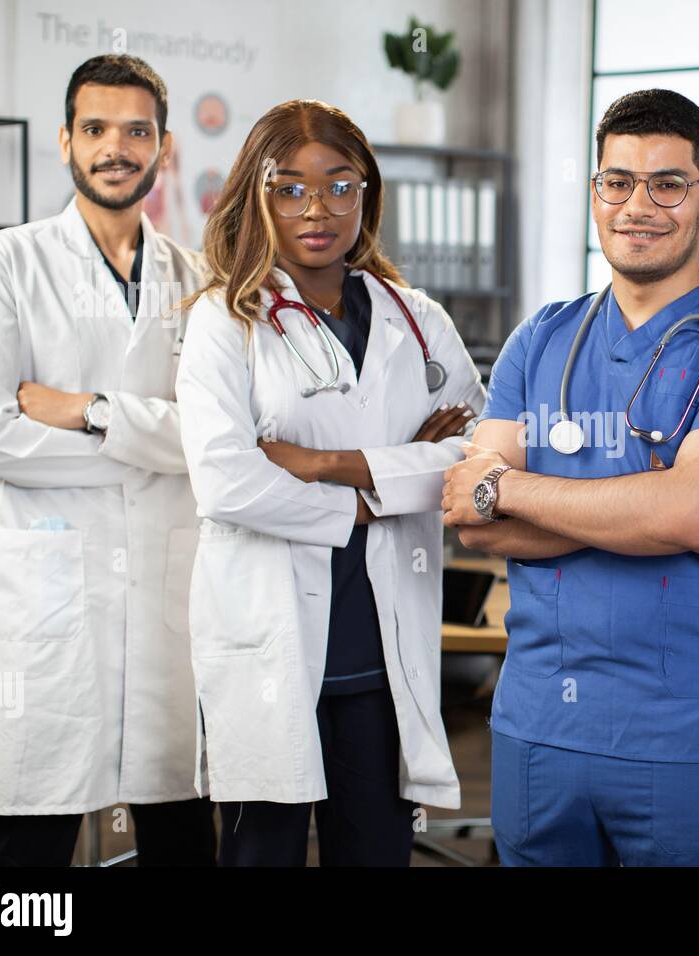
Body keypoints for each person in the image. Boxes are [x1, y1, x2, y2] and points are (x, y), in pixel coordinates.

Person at [441, 89, 699, 866]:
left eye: (668, 183)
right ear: (596, 193)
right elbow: (469, 518)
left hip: (687, 737)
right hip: (539, 730)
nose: (639, 205)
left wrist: (507, 486)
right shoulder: (540, 338)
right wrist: (656, 508)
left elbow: (678, 515)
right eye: (617, 182)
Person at [176, 99, 485, 866]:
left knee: (376, 853)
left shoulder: (416, 320)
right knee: (262, 858)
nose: (317, 208)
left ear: (366, 195)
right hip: (269, 641)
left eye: (340, 186)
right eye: (289, 187)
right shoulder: (225, 321)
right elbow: (226, 482)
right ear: (258, 196)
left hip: (381, 652)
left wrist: (325, 465)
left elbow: (480, 456)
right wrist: (383, 485)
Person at [0, 54, 215, 866]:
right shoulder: (8, 263)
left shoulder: (198, 278)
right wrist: (151, 445)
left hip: (166, 610)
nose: (116, 147)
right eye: (96, 128)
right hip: (52, 609)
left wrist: (87, 414)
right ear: (66, 140)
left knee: (179, 838)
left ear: (163, 149)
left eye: (138, 131)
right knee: (29, 861)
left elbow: (210, 440)